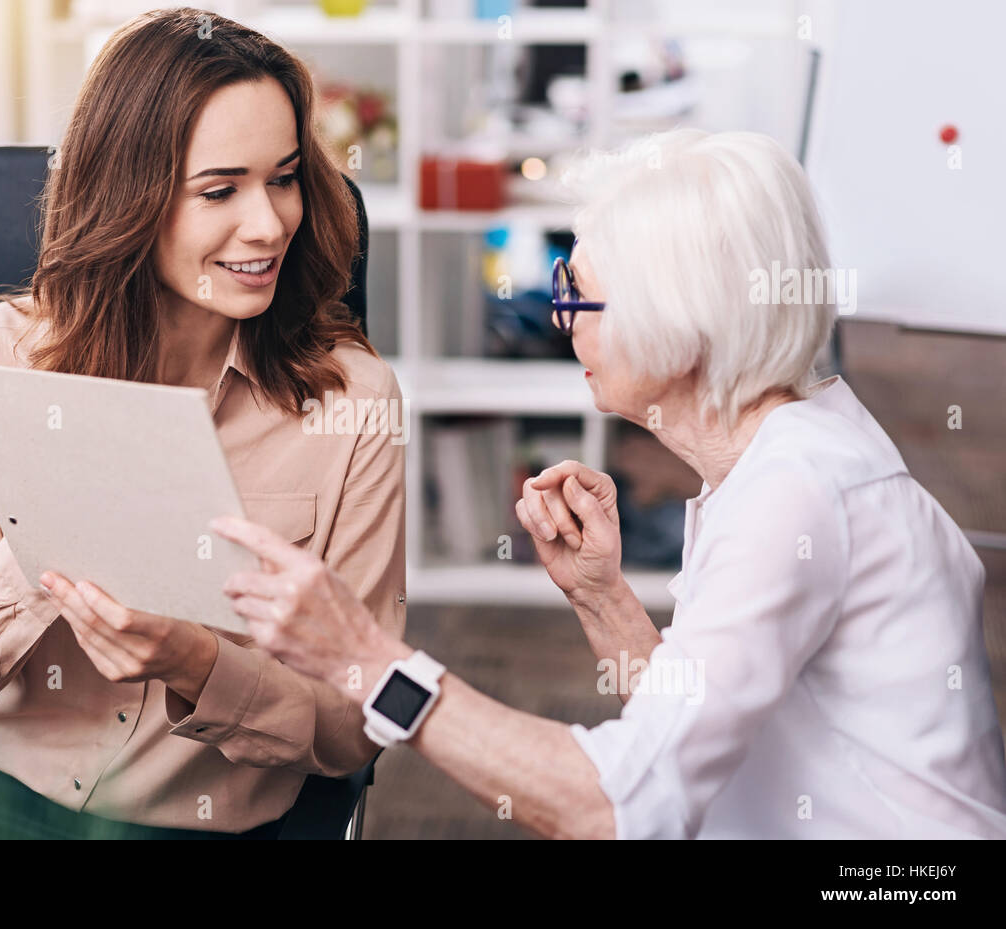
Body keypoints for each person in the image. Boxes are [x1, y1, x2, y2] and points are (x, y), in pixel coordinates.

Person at [211, 128, 1006, 839]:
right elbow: (689, 721)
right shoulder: (785, 457)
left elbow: (615, 807)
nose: (563, 322)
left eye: (578, 295)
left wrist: (369, 661)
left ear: (679, 318)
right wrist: (602, 597)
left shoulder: (797, 493)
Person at [0, 8, 405, 839]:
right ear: (128, 197)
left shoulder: (355, 403)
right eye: (219, 190)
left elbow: (353, 728)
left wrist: (199, 665)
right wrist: (49, 528)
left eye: (283, 178)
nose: (269, 223)